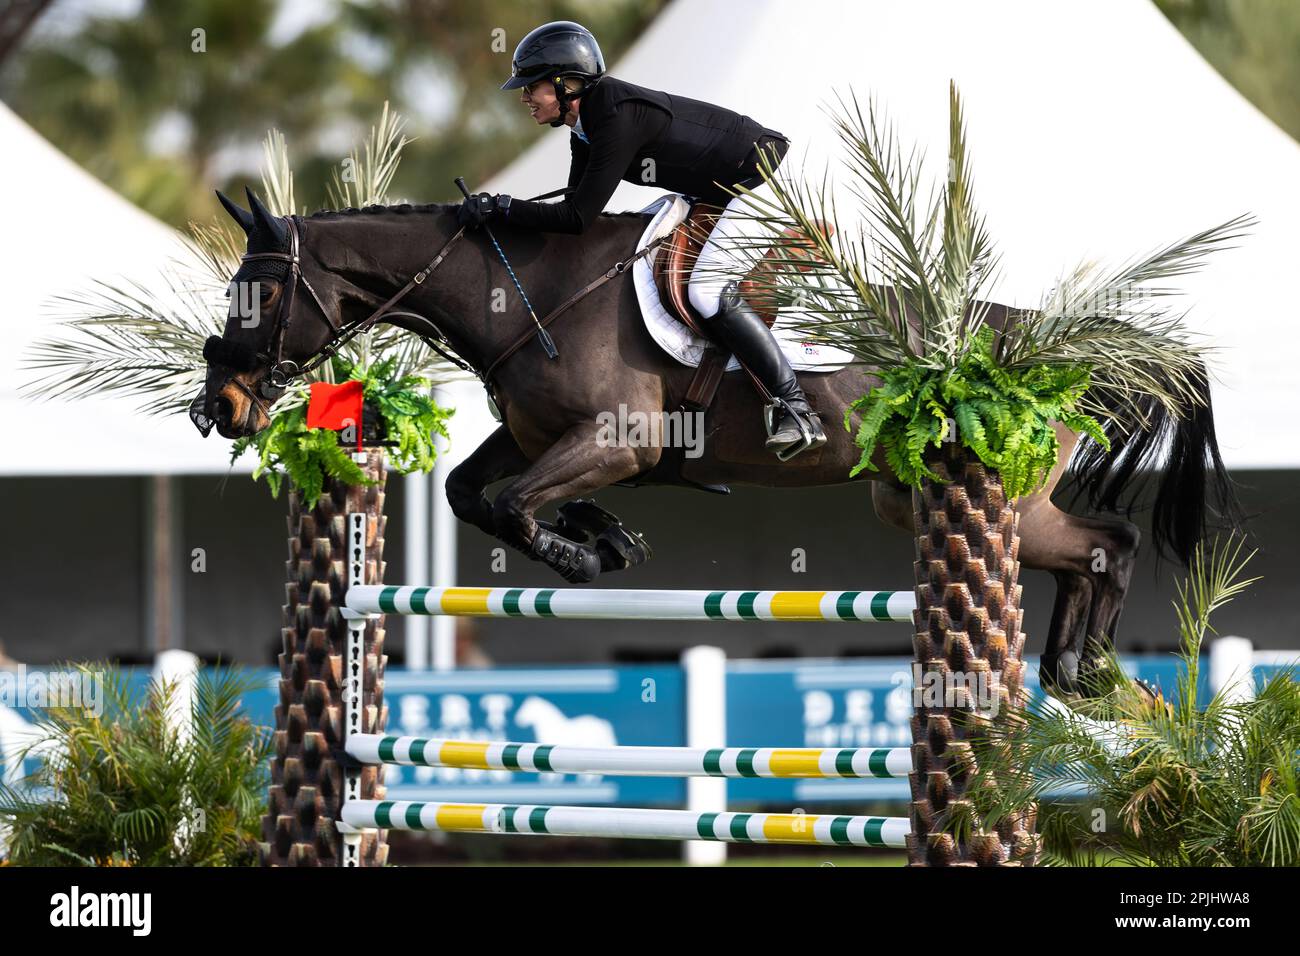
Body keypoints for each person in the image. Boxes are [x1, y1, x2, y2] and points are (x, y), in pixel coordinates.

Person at [458, 20, 826, 458]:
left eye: (531, 86)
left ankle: (796, 408)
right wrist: (500, 216)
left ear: (565, 84)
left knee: (706, 290)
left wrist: (502, 207)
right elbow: (574, 216)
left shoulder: (613, 113)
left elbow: (576, 218)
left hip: (764, 176)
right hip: (715, 190)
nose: (523, 96)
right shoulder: (585, 128)